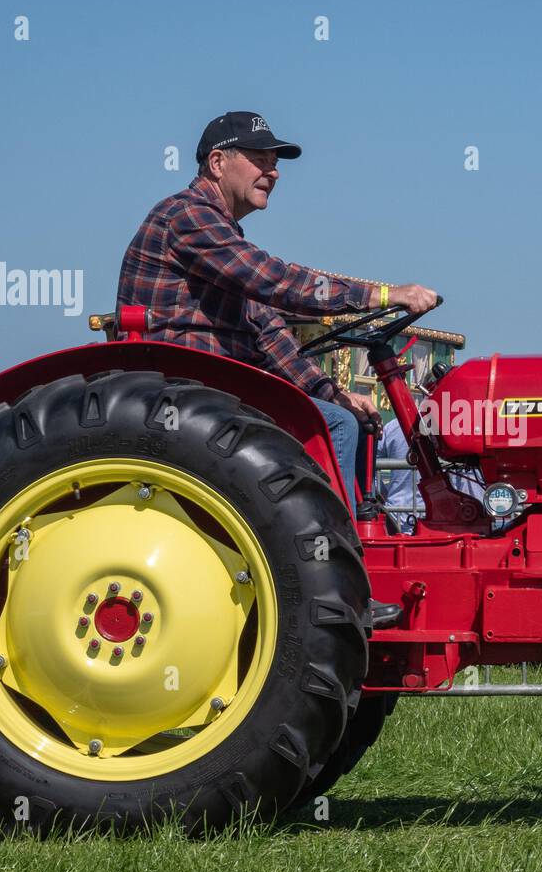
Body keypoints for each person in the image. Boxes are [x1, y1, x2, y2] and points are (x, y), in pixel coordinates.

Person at [118, 111, 438, 626]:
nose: (274, 171)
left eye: (276, 161)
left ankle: (362, 545)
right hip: (181, 390)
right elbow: (276, 282)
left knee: (344, 417)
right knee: (331, 426)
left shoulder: (222, 235)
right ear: (218, 163)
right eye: (261, 159)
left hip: (215, 385)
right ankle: (339, 580)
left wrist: (333, 392)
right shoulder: (189, 217)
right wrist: (382, 294)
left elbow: (268, 332)